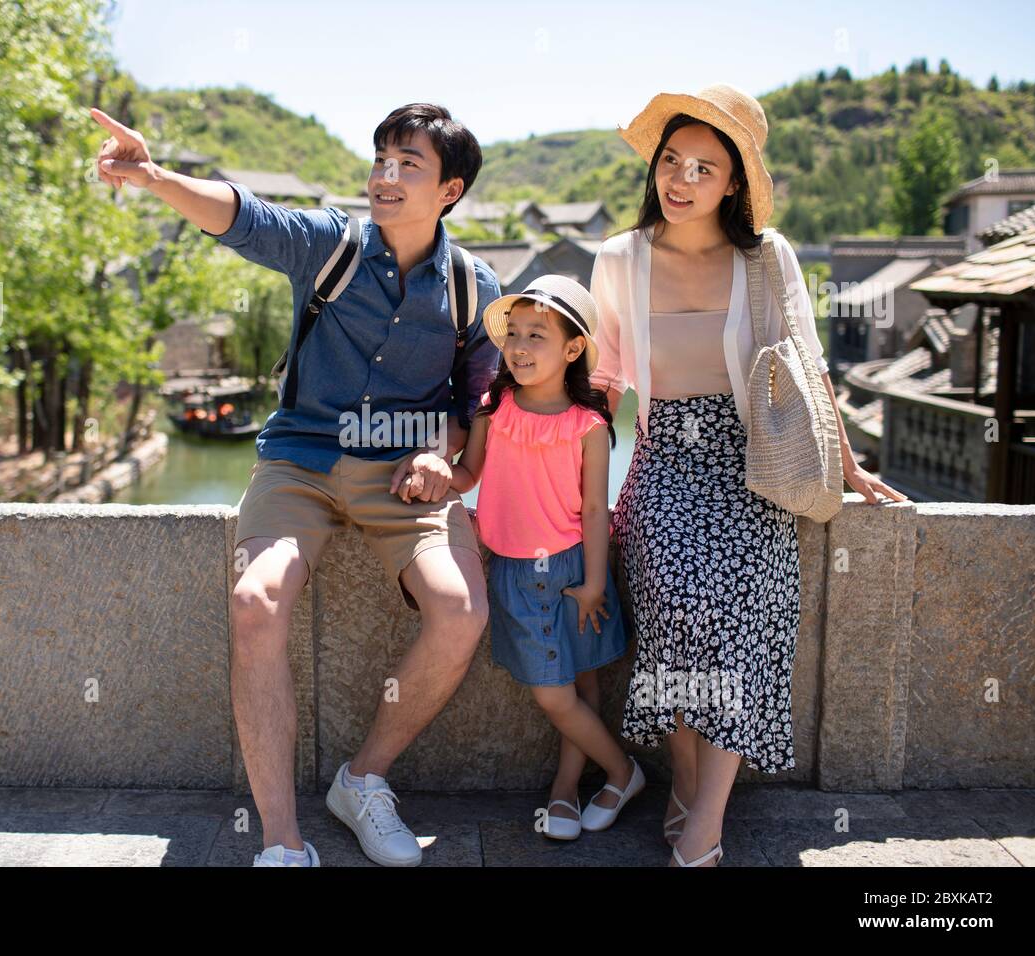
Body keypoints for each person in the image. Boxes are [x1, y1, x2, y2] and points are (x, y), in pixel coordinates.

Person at [91, 102, 501, 867]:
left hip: (403, 474)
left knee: (461, 611)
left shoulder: (472, 285)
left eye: (409, 164)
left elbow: (477, 397)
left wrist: (445, 453)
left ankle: (363, 778)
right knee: (254, 599)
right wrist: (150, 176)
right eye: (381, 159)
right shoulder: (330, 245)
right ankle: (282, 843)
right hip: (299, 462)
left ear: (450, 190)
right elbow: (245, 217)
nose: (386, 176)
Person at [589, 84, 908, 867]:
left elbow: (808, 363)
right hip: (664, 455)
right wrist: (565, 480)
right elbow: (598, 381)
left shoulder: (768, 257)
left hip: (754, 466)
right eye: (672, 160)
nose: (682, 178)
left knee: (740, 617)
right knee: (677, 613)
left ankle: (706, 820)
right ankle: (687, 783)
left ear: (733, 184)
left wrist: (849, 463)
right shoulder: (618, 259)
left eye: (705, 167)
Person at [449, 274, 642, 842]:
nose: (521, 347)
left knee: (575, 688)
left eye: (538, 335)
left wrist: (595, 584)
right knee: (558, 690)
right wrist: (434, 472)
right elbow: (470, 474)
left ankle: (578, 784)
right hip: (514, 570)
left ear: (573, 349)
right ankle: (618, 773)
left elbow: (593, 511)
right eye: (515, 334)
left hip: (574, 569)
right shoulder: (494, 406)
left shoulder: (590, 426)